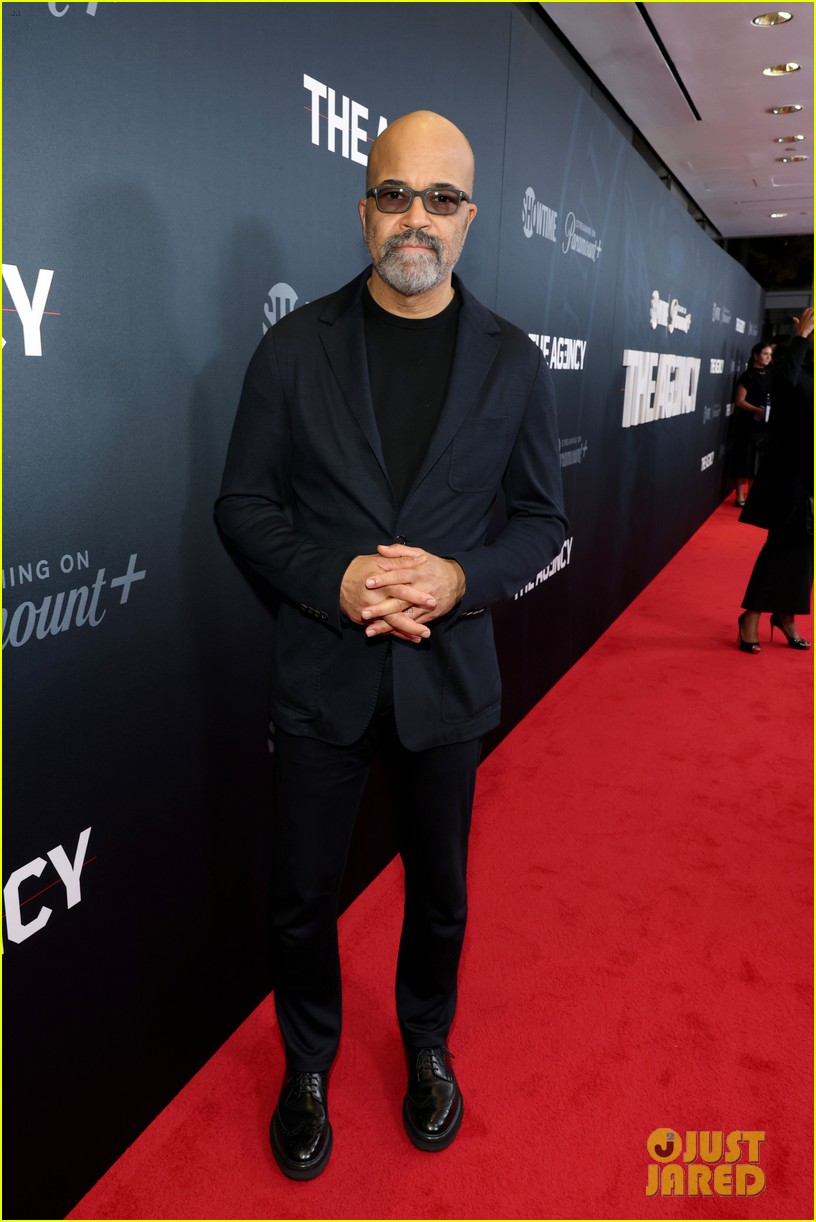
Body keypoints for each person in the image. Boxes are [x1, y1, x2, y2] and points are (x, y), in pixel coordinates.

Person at [215, 110, 568, 1179]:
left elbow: (541, 522)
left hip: (446, 682)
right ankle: (307, 1064)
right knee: (301, 897)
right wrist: (334, 580)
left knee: (441, 895)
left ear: (470, 217)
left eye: (441, 198)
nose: (417, 217)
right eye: (396, 194)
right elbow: (242, 506)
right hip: (321, 678)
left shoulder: (515, 361)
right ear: (364, 206)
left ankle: (425, 1042)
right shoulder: (292, 348)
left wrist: (461, 581)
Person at [736, 306, 813, 654]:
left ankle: (786, 615)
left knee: (806, 552)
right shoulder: (791, 367)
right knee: (781, 545)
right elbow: (782, 386)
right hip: (791, 474)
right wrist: (800, 339)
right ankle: (751, 615)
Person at [730, 341, 774, 506]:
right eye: (765, 354)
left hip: (765, 427)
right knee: (744, 461)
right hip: (747, 426)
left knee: (758, 464)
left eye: (770, 354)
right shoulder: (747, 376)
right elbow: (739, 401)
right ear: (756, 356)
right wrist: (757, 410)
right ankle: (740, 498)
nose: (768, 357)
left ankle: (753, 499)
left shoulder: (770, 375)